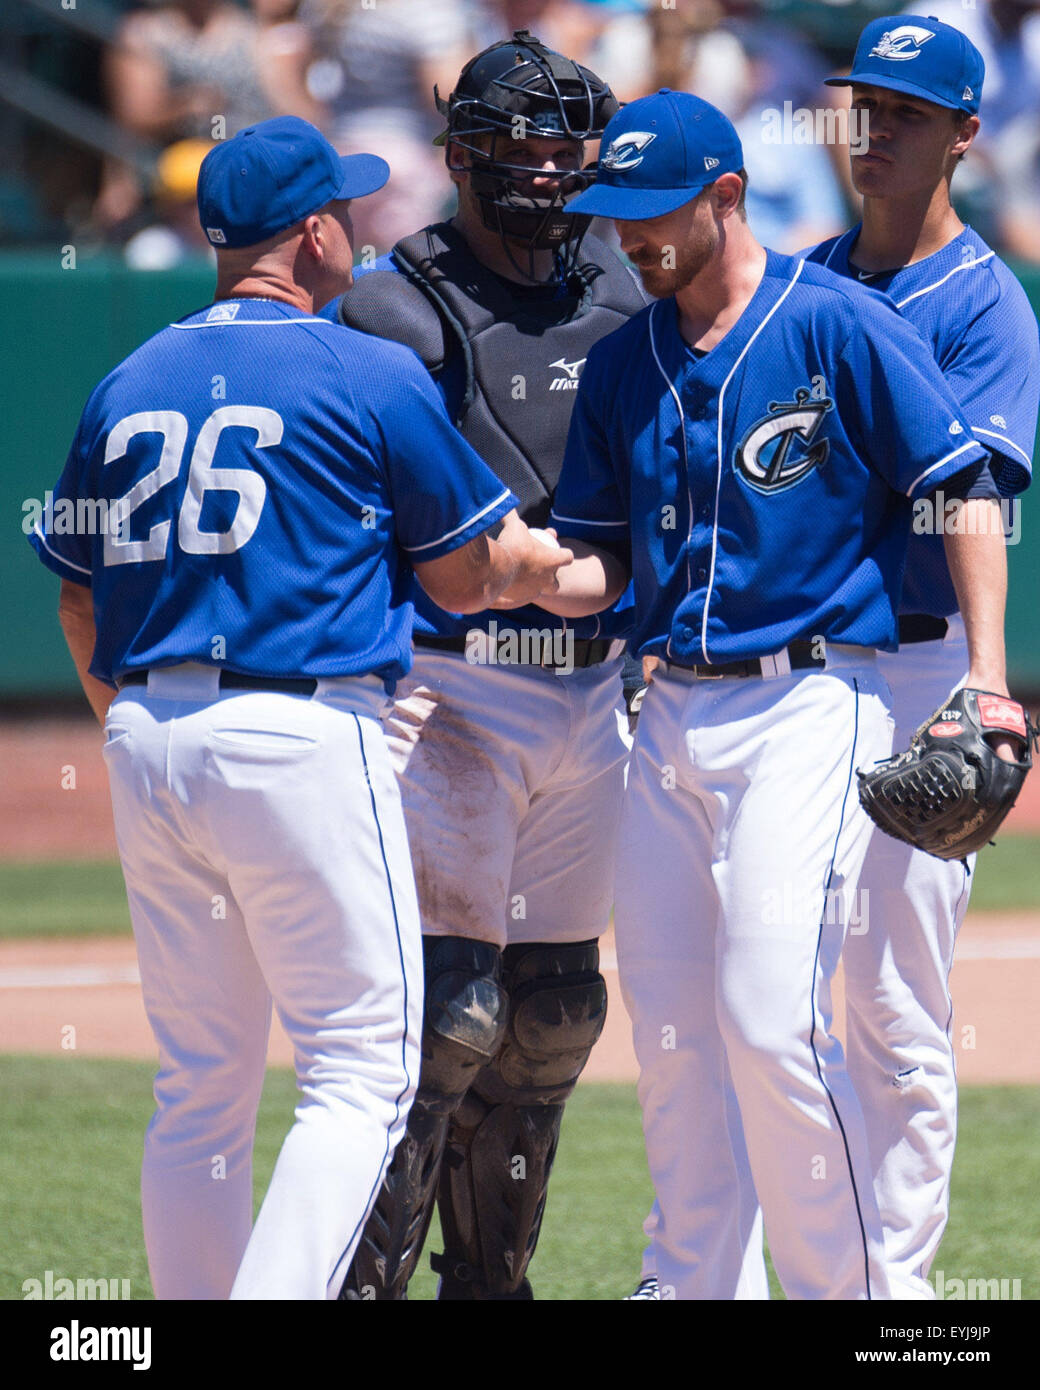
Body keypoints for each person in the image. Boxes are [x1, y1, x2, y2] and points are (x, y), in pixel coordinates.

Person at [28, 115, 569, 1301]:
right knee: (362, 1071)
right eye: (350, 212)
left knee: (199, 1084)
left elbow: (77, 600)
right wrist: (552, 567)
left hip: (148, 732)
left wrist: (138, 721)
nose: (365, 230)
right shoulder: (356, 365)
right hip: (298, 732)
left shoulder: (130, 377)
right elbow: (468, 577)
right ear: (314, 233)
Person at [541, 88, 1013, 1300]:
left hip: (810, 701)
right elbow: (600, 563)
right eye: (613, 216)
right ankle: (689, 1282)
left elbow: (961, 483)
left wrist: (984, 678)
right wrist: (516, 572)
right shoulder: (620, 362)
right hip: (667, 718)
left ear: (725, 197)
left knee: (769, 1021)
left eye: (652, 214)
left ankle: (854, 1302)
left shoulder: (836, 325)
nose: (629, 237)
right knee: (670, 1034)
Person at [323, 31, 646, 1300]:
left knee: (554, 1012)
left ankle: (490, 1285)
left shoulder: (631, 287)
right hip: (449, 683)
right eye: (521, 137)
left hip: (596, 685)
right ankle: (366, 1286)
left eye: (568, 139)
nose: (549, 164)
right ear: (461, 152)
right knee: (446, 1015)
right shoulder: (394, 300)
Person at [804, 14, 1038, 1298]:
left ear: (961, 134)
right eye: (862, 105)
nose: (873, 128)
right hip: (791, 676)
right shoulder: (803, 275)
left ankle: (898, 1301)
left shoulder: (983, 305)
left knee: (891, 1008)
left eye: (904, 112)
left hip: (909, 666)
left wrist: (983, 682)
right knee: (768, 1001)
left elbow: (972, 503)